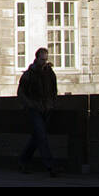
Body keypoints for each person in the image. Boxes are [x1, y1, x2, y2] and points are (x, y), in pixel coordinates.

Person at [18, 46, 60, 175]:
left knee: (37, 137)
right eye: (42, 60)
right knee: (41, 136)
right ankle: (50, 166)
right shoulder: (29, 74)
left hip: (46, 108)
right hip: (34, 109)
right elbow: (21, 93)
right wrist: (30, 104)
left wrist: (52, 103)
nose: (44, 62)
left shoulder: (50, 73)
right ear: (37, 59)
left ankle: (23, 160)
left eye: (46, 60)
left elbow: (54, 90)